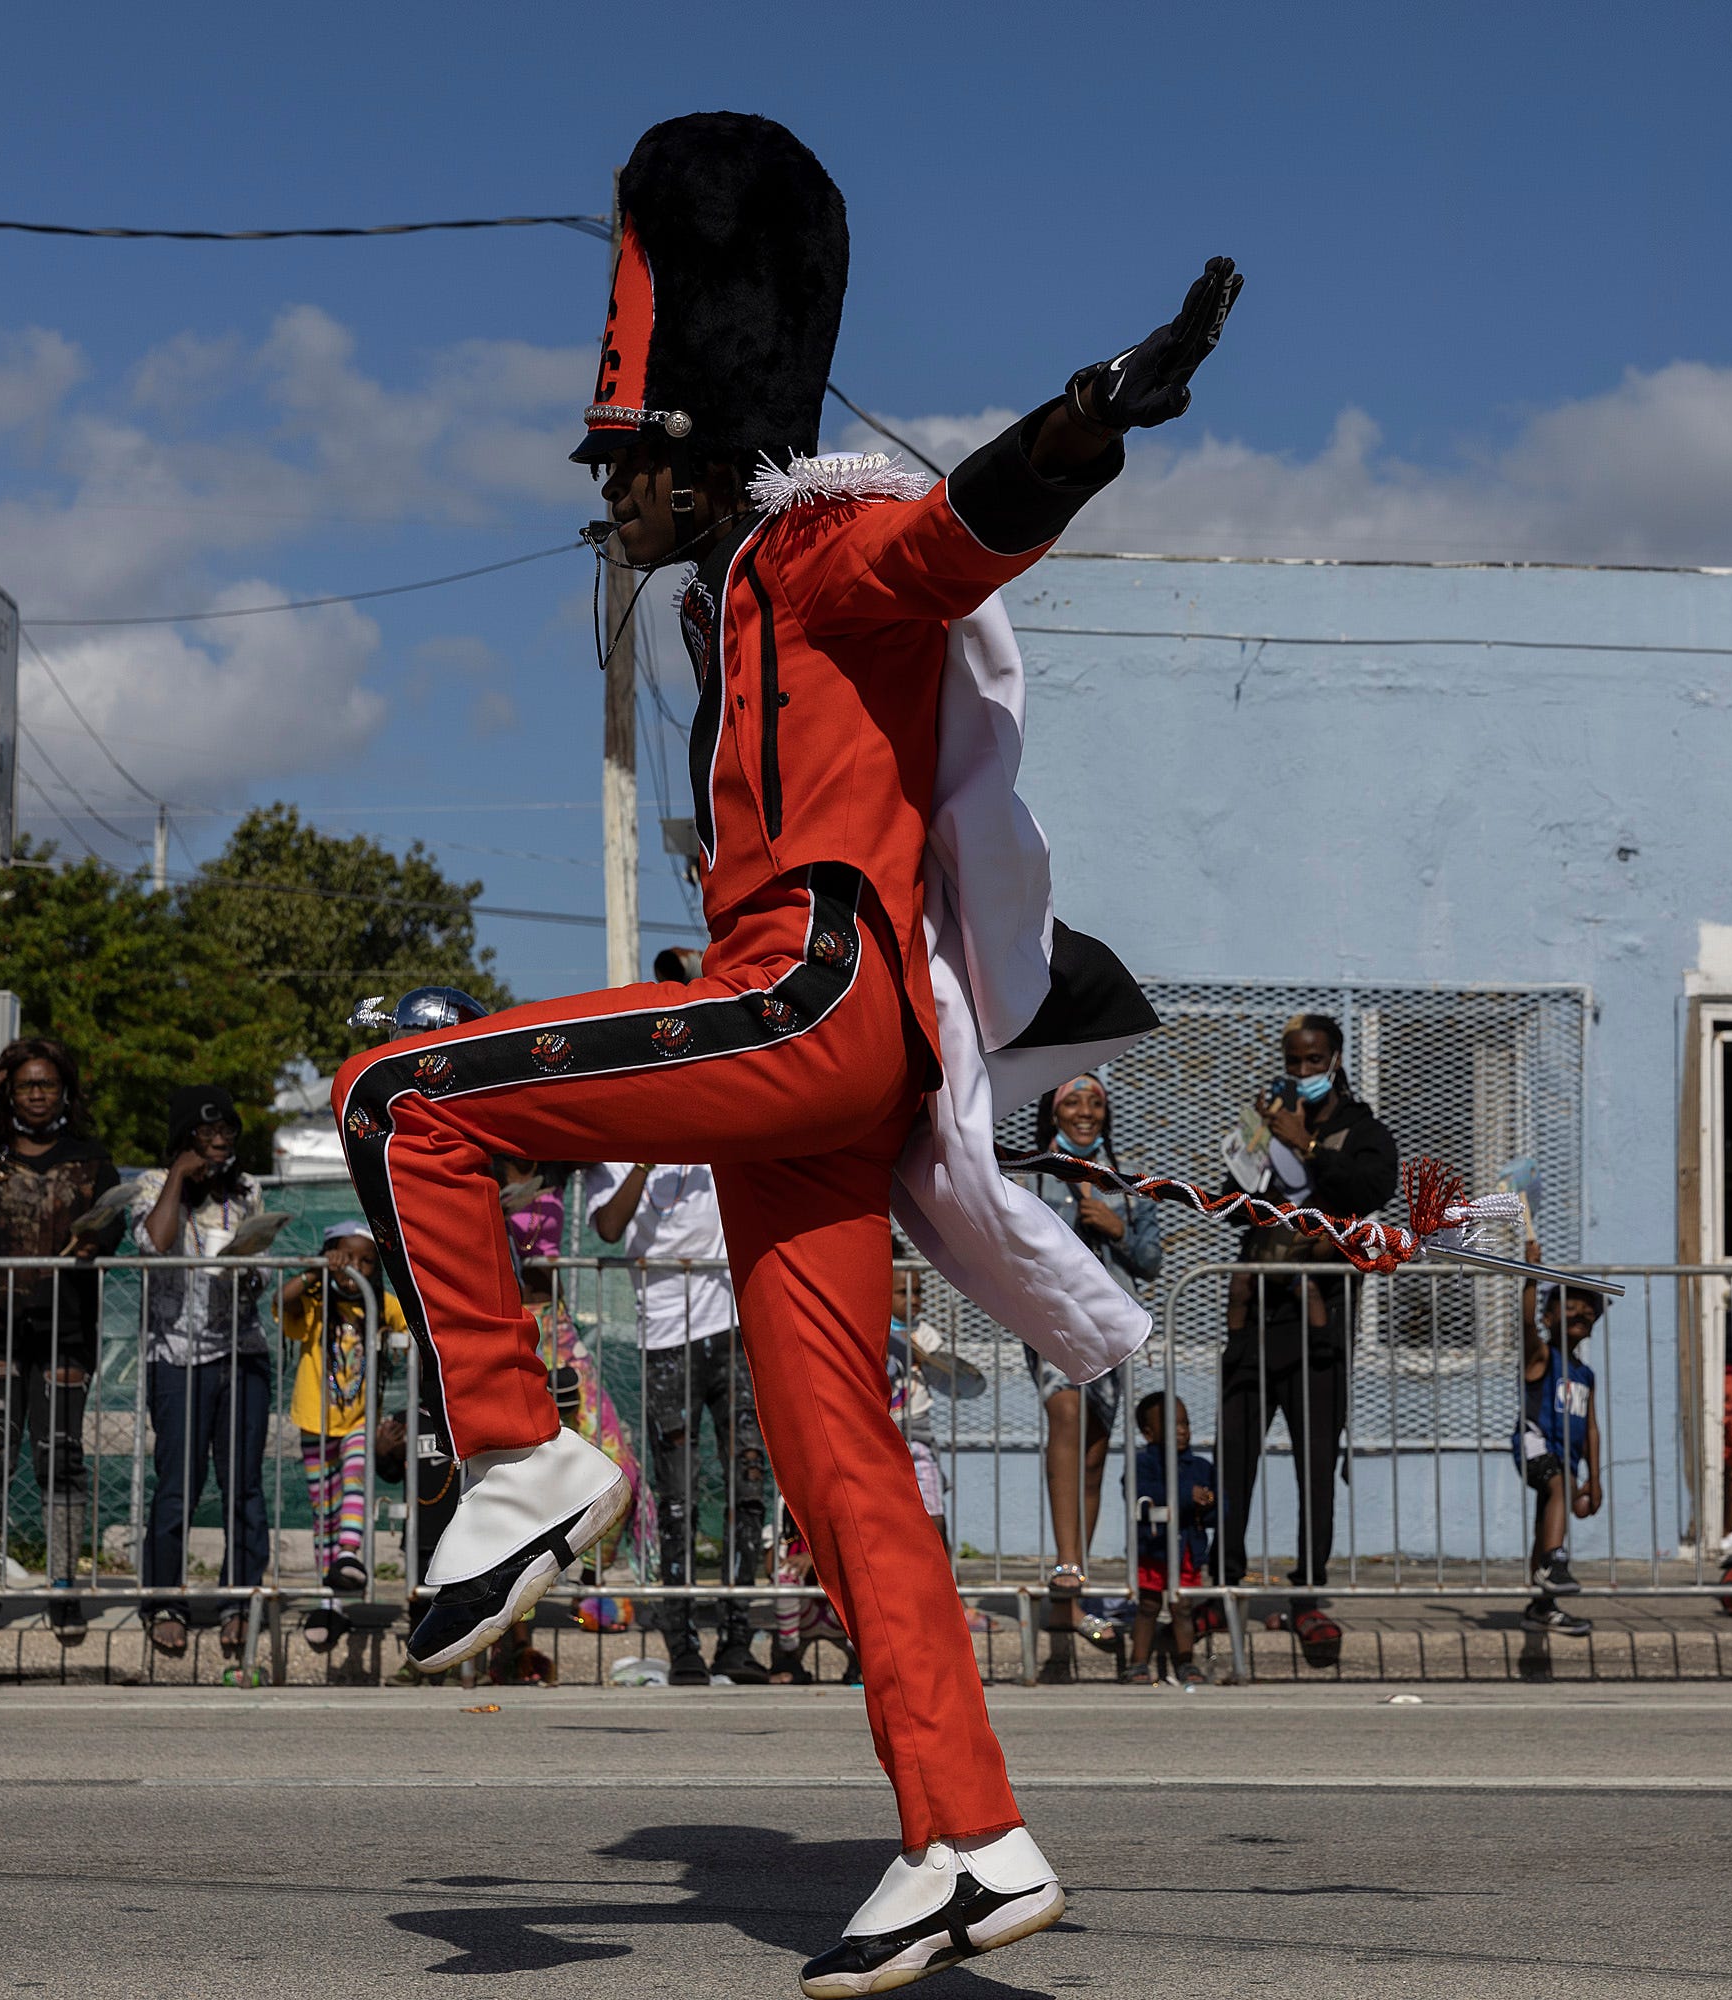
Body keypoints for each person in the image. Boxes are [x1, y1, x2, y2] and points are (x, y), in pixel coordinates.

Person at [331, 112, 1227, 1988]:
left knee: (402, 1100)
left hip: (810, 1012)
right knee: (840, 1465)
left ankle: (520, 1455)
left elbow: (951, 545)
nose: (608, 505)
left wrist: (1082, 426)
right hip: (809, 1065)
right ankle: (967, 1834)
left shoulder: (812, 556)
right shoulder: (731, 598)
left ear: (692, 449)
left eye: (618, 465)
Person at [1218, 1014, 1396, 1672]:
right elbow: (1238, 1204)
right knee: (1235, 1452)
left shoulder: (1364, 1129)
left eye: (1312, 1060)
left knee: (1315, 1464)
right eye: (1293, 1061)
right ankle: (1223, 1581)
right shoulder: (1269, 1114)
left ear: (1336, 1057)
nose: (1301, 1073)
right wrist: (1252, 1154)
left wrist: (1311, 1148)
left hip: (1319, 1327)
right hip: (1256, 1317)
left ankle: (1309, 1589)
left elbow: (1371, 1189)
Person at [0, 1036, 119, 1641]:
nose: (38, 1094)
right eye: (25, 1085)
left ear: (65, 1092)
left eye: (47, 1084)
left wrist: (98, 1239)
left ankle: (64, 1590)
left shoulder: (91, 1156)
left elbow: (113, 1226)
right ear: (8, 1092)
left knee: (62, 1463)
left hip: (64, 1335)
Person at [586, 1154, 771, 1685]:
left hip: (734, 1329)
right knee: (677, 1496)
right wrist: (646, 1156)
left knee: (748, 1484)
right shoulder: (617, 1151)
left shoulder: (712, 1137)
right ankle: (682, 1642)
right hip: (666, 1338)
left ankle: (737, 1640)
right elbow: (608, 1226)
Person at [1018, 1074, 1160, 1683]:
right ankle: (1069, 1564)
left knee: (1095, 1451)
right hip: (1051, 1313)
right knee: (1065, 1412)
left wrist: (1118, 1227)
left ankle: (1068, 1600)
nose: (1085, 1111)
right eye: (1073, 1101)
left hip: (1109, 1318)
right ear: (1053, 1112)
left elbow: (1151, 1262)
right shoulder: (1028, 1172)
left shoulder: (1130, 1180)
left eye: (1096, 1102)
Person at [131, 1085, 274, 1662]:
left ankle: (239, 1600)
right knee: (176, 1490)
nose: (219, 1144)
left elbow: (262, 1267)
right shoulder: (149, 1185)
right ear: (185, 1138)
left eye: (227, 1135)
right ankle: (165, 1601)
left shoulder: (246, 1191)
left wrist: (244, 1263)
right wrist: (176, 1179)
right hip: (176, 1357)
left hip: (241, 1352)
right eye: (207, 1134)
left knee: (243, 1486)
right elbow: (153, 1242)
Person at [281, 1220, 406, 1651]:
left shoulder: (381, 1305)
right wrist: (318, 1271)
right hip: (314, 1421)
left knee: (355, 1480)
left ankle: (349, 1554)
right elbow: (284, 1300)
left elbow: (415, 1330)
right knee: (324, 1514)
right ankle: (329, 1602)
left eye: (365, 1261)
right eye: (345, 1258)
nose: (355, 1268)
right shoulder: (316, 1301)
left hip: (358, 1421)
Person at [1517, 1267, 1605, 1639]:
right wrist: (1530, 1277)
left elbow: (1590, 1428)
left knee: (1547, 1521)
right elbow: (1525, 1326)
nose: (1581, 1312)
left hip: (1567, 1461)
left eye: (1589, 1309)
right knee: (1560, 1484)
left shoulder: (1584, 1374)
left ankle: (1542, 1606)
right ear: (1549, 1317)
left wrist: (1595, 1479)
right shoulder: (1542, 1357)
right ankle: (1553, 1564)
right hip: (1534, 1444)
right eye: (1571, 1306)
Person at [1128, 1391, 1216, 1686]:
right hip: (1153, 1548)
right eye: (1172, 1425)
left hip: (1187, 1548)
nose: (1182, 1430)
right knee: (1149, 1605)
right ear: (1149, 1433)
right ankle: (1138, 1662)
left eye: (1186, 1423)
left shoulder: (1200, 1466)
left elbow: (1220, 1507)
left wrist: (1209, 1504)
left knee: (1182, 1607)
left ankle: (1185, 1662)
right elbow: (1140, 1494)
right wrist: (1185, 1497)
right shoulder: (1143, 1464)